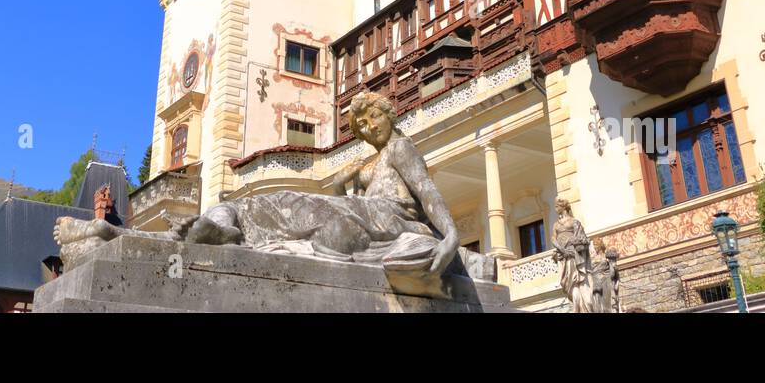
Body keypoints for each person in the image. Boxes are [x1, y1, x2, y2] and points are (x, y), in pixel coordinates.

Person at [55, 91, 487, 280]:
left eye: (372, 118)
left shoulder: (401, 148)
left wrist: (450, 235)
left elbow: (428, 193)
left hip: (388, 223)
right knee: (285, 200)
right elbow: (338, 194)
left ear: (388, 115)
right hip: (366, 216)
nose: (367, 127)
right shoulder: (372, 160)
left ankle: (211, 228)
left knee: (305, 208)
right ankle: (188, 228)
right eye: (360, 124)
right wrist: (347, 176)